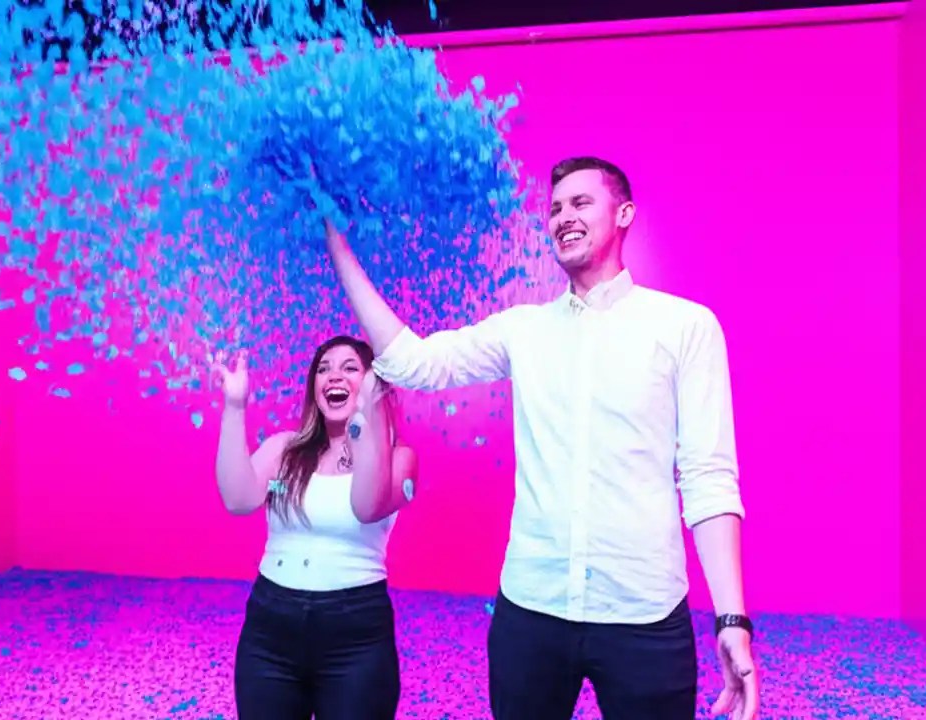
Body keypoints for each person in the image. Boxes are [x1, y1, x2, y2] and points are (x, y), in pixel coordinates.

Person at [322, 156, 758, 720]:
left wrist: (732, 620)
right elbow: (413, 364)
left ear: (624, 214)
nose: (562, 217)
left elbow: (708, 478)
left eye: (580, 203)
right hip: (531, 613)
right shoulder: (522, 330)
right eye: (554, 208)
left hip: (644, 616)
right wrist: (338, 249)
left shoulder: (685, 327)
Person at [211, 335, 419, 720]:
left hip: (355, 633)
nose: (332, 376)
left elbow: (367, 505)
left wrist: (367, 419)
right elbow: (238, 500)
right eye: (323, 369)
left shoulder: (399, 458)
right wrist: (234, 407)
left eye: (349, 368)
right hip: (270, 628)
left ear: (375, 383)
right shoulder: (285, 449)